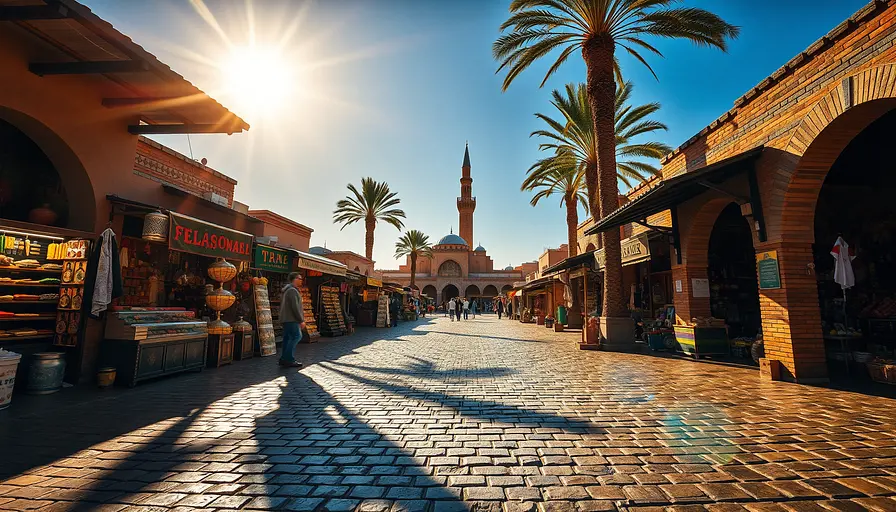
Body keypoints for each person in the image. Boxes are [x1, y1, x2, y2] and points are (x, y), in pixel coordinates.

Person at [278, 272, 305, 368]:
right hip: (292, 319)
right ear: (295, 279)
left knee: (287, 338)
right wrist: (301, 320)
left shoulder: (288, 290)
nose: (301, 280)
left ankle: (283, 359)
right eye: (300, 278)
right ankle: (288, 358)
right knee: (296, 336)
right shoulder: (292, 291)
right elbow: (295, 307)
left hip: (287, 318)